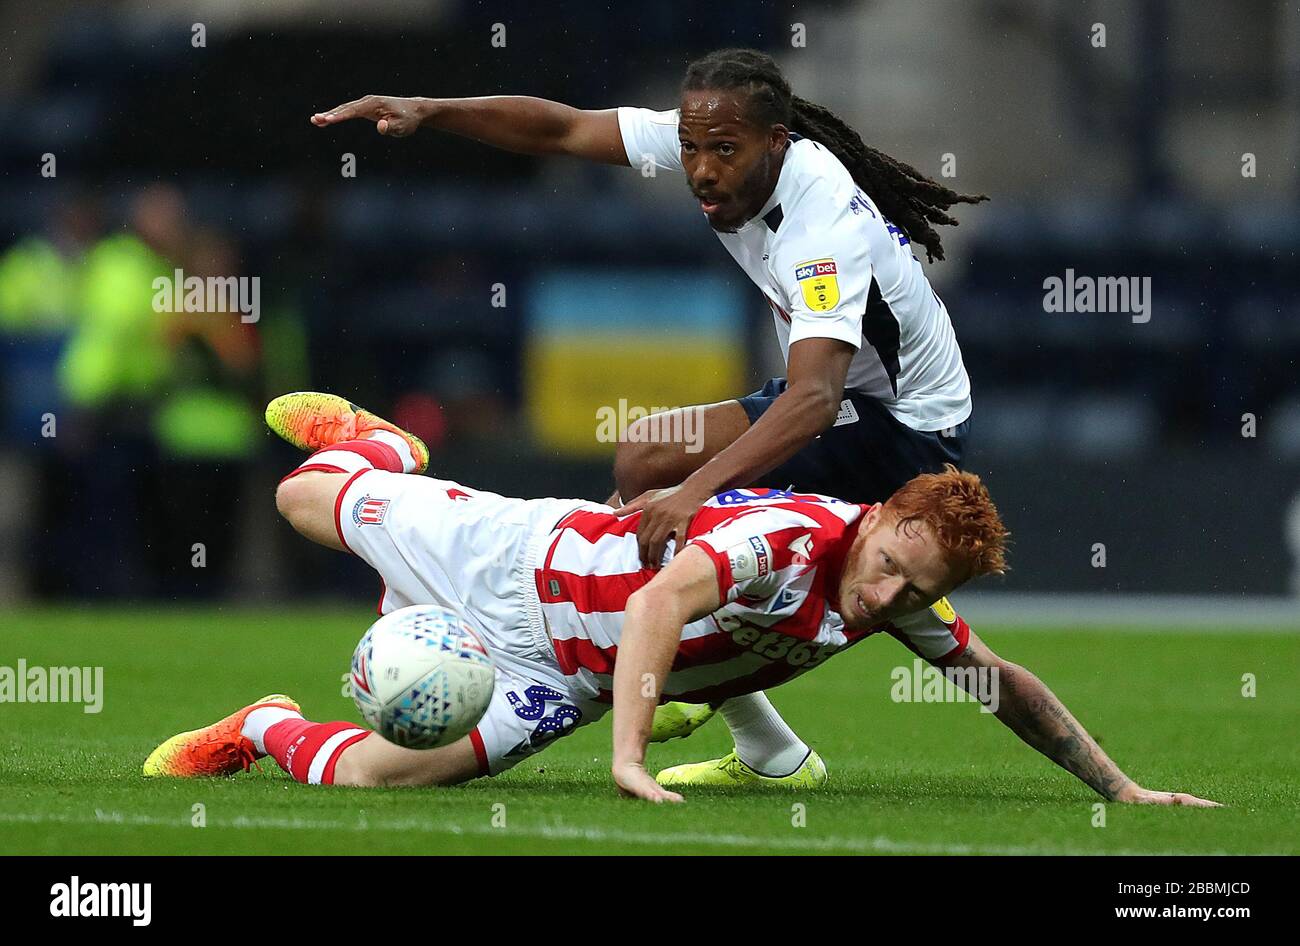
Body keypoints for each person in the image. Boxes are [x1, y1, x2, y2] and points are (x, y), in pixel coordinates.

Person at [308, 47, 986, 787]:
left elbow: (814, 400)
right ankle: (762, 748)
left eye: (722, 150)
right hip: (846, 401)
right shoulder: (715, 138)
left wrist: (694, 494)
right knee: (653, 465)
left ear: (775, 143)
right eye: (691, 147)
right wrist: (433, 110)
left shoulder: (817, 225)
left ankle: (664, 681)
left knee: (665, 480)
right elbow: (562, 131)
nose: (700, 168)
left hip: (905, 430)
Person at [144, 393, 1217, 808]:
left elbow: (999, 682)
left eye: (914, 588)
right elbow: (660, 604)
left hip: (550, 676)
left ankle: (262, 725)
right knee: (295, 497)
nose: (888, 589)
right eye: (893, 558)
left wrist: (1117, 786)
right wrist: (628, 754)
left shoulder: (892, 601)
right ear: (882, 509)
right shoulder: (791, 535)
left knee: (381, 775)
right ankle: (381, 446)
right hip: (519, 560)